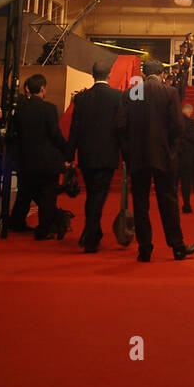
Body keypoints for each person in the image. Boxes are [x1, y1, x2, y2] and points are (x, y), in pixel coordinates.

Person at [117, 58, 194, 262]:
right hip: (163, 155)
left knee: (141, 203)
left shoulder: (132, 93)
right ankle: (177, 246)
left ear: (144, 74)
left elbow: (120, 127)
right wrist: (171, 149)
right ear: (162, 74)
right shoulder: (169, 92)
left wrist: (128, 152)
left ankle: (145, 248)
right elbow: (178, 126)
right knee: (168, 200)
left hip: (138, 156)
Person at [66, 59, 124, 253]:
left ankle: (91, 232)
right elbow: (121, 129)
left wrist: (69, 156)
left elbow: (74, 129)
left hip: (86, 154)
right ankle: (92, 236)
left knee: (92, 194)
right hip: (107, 155)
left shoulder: (82, 99)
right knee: (98, 196)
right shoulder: (118, 97)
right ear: (109, 75)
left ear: (92, 75)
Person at [10, 73, 74, 241]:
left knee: (25, 192)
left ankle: (16, 222)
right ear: (43, 88)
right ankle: (43, 229)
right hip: (46, 160)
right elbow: (55, 135)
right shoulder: (49, 109)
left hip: (25, 159)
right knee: (47, 195)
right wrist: (68, 151)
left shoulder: (20, 109)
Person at [176, 103, 194, 213]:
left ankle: (172, 206)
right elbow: (193, 139)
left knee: (172, 183)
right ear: (190, 111)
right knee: (186, 183)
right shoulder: (190, 123)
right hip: (186, 157)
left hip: (174, 156)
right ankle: (186, 205)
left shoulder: (174, 121)